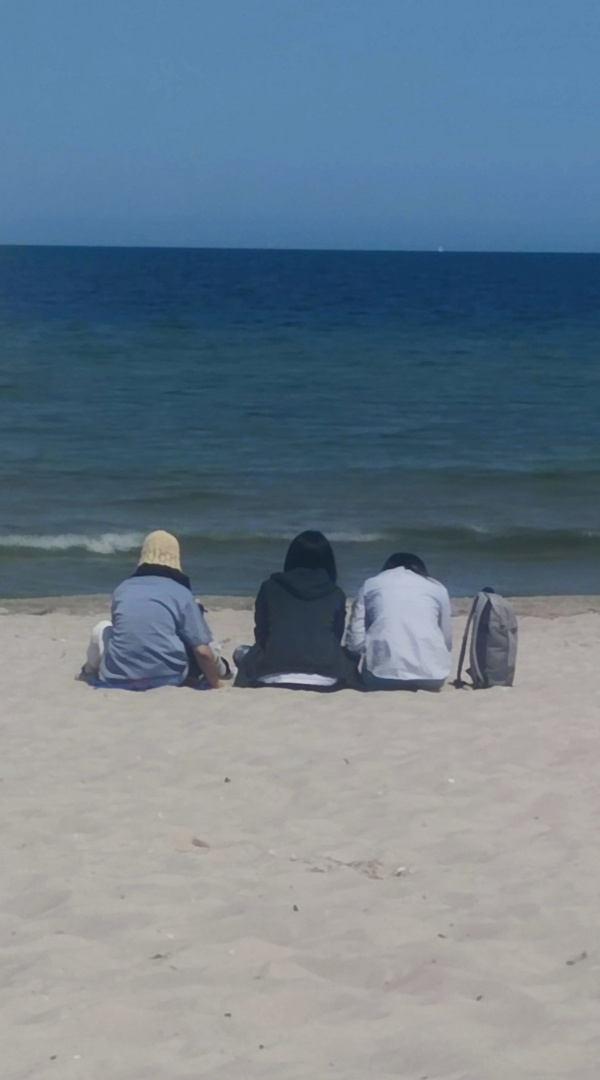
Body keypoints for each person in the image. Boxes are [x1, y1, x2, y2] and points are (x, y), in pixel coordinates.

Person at [82, 530, 228, 690]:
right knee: (197, 634)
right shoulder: (181, 592)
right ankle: (225, 669)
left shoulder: (122, 589)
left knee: (103, 627)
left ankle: (88, 670)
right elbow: (203, 652)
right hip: (170, 677)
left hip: (117, 676)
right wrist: (216, 684)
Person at [234, 530, 361, 690]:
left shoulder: (270, 587)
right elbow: (335, 636)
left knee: (241, 653)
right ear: (328, 561)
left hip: (271, 672)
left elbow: (262, 632)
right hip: (327, 674)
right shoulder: (335, 593)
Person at [345, 552, 452, 691]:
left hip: (381, 677)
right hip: (433, 677)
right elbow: (447, 641)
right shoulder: (438, 588)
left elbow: (355, 641)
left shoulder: (371, 584)